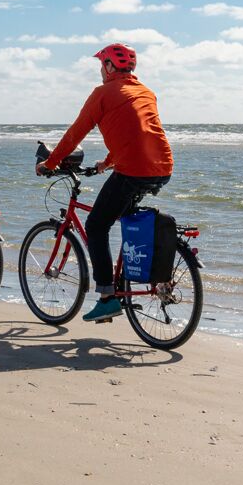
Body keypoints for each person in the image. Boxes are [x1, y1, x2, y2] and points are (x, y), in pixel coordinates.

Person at [38, 43, 174, 323]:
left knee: (96, 225)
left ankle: (107, 298)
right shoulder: (146, 92)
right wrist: (106, 163)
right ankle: (134, 276)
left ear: (110, 67)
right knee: (125, 216)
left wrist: (50, 163)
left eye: (102, 65)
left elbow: (75, 134)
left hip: (134, 170)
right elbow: (137, 135)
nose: (101, 70)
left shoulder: (102, 93)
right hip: (163, 167)